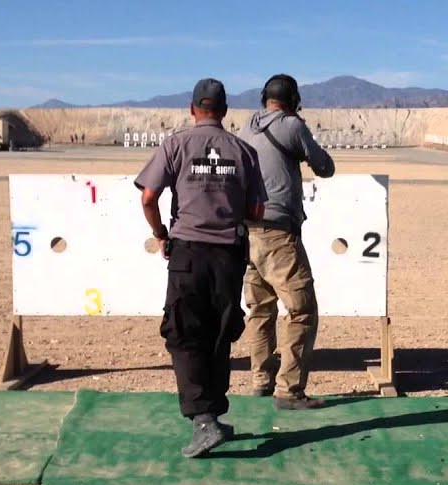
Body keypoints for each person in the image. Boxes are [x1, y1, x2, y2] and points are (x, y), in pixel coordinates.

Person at [134, 78, 266, 458]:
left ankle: (203, 421)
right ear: (224, 111)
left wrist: (161, 233)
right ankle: (211, 414)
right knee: (219, 332)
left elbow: (148, 196)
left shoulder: (175, 144)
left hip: (188, 253)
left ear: (192, 109)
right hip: (229, 254)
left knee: (184, 332)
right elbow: (257, 210)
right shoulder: (242, 150)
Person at [237, 73, 336, 410]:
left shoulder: (246, 126)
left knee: (260, 309)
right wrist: (300, 129)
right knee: (302, 310)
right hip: (278, 233)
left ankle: (260, 380)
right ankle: (289, 390)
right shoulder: (292, 126)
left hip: (246, 231)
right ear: (293, 100)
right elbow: (325, 167)